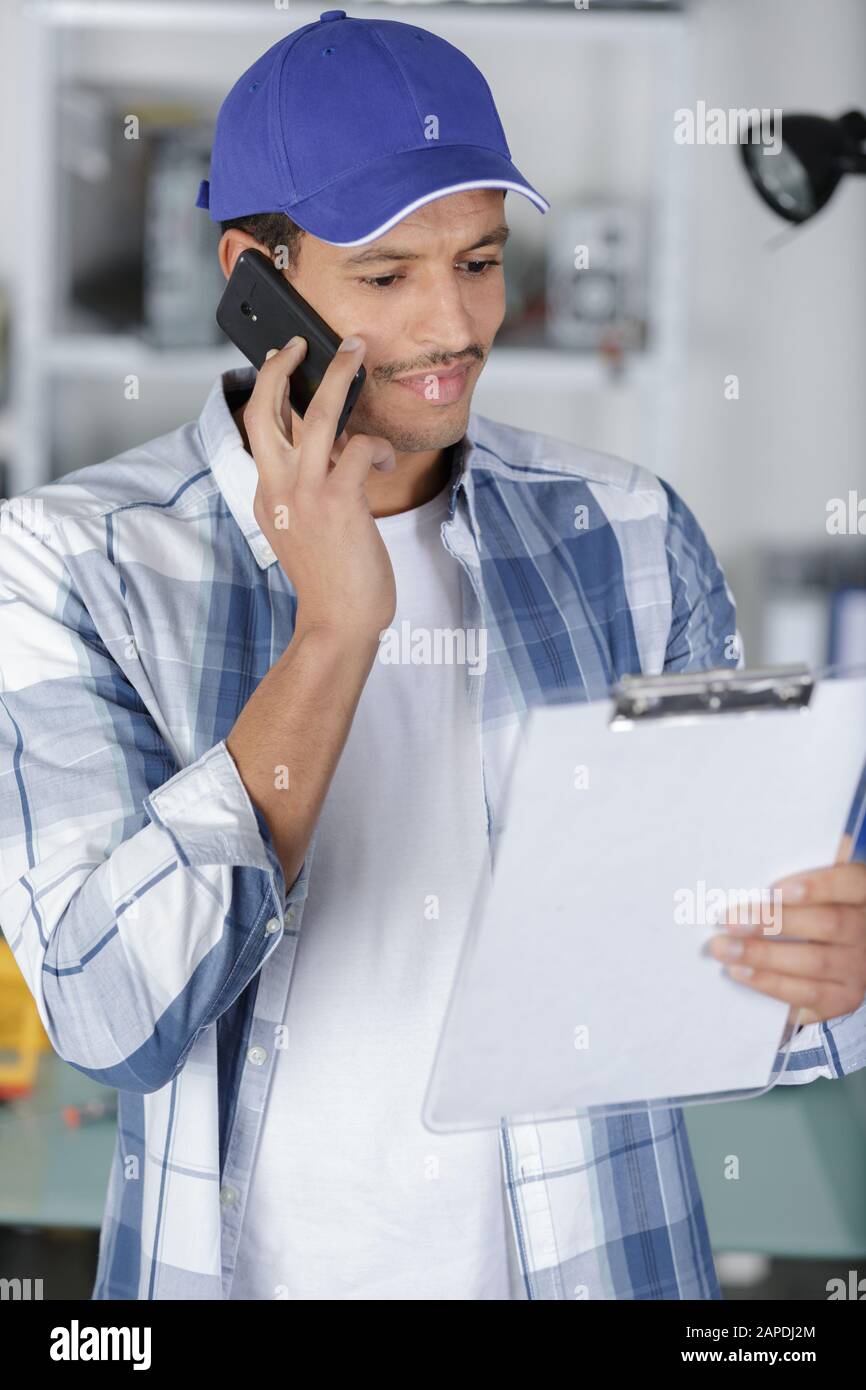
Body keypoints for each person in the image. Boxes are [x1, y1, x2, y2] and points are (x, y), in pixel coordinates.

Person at [1, 9, 864, 1302]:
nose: (457, 325)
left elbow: (700, 992)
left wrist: (827, 985)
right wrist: (337, 629)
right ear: (256, 274)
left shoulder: (627, 530)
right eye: (388, 275)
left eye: (478, 260)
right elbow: (114, 1017)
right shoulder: (66, 558)